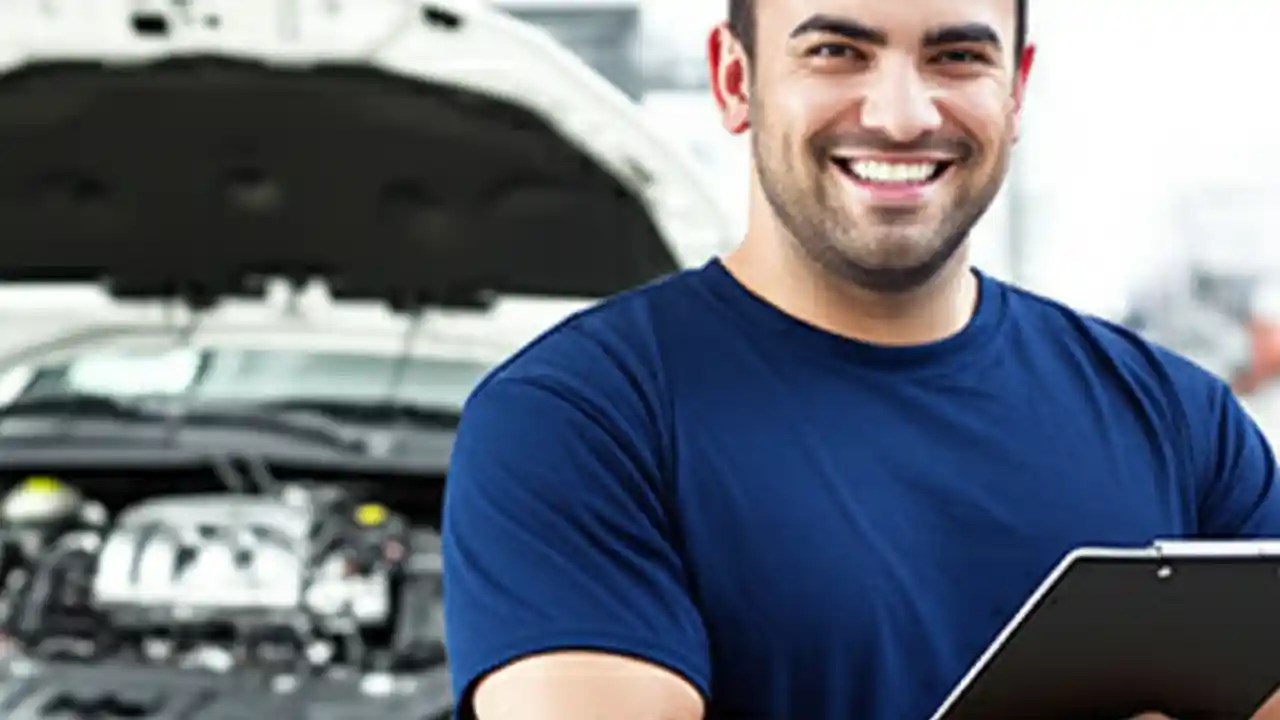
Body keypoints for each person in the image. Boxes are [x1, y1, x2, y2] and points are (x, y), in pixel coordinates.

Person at [441, 0, 1280, 718]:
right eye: (837, 52)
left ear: (1016, 90)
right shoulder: (573, 421)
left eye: (956, 57)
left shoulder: (1181, 420)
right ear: (735, 82)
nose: (902, 116)